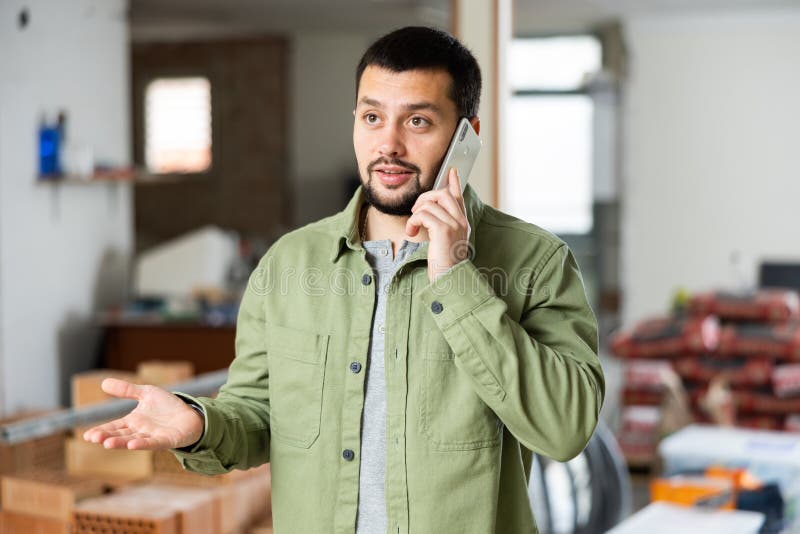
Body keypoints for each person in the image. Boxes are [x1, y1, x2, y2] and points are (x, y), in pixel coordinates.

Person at [84, 26, 604, 534]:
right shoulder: (289, 264)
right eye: (373, 117)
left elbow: (565, 429)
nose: (389, 145)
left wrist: (456, 279)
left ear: (468, 134)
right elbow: (256, 416)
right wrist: (199, 426)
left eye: (418, 121)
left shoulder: (537, 262)